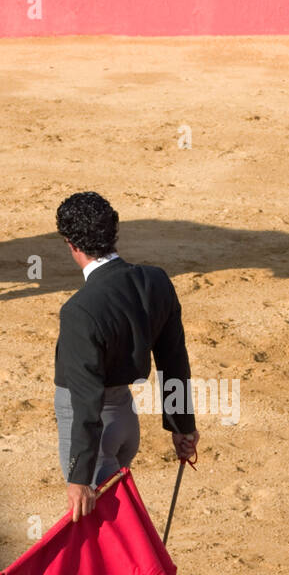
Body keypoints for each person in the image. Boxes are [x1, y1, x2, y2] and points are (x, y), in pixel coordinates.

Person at [53, 191, 199, 522]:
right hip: (125, 423)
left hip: (96, 434)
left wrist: (79, 478)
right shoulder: (156, 281)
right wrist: (182, 426)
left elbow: (86, 401)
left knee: (103, 535)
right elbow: (173, 359)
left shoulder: (79, 310)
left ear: (71, 245)